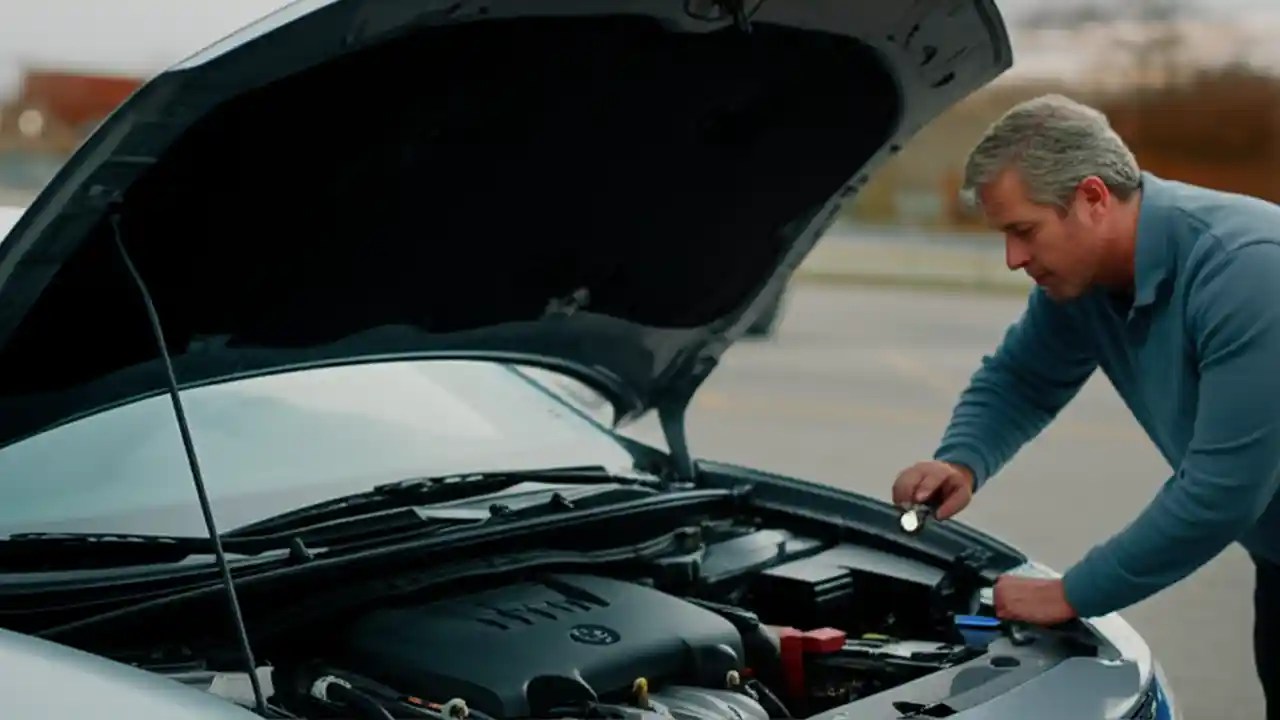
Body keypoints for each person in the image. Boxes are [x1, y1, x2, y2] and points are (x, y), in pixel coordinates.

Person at [890, 93, 1280, 714]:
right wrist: (961, 461)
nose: (1014, 259)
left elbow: (1225, 490)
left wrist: (1073, 592)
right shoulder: (1086, 283)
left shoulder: (1249, 272)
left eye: (1024, 231)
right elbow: (1022, 378)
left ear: (1094, 198)